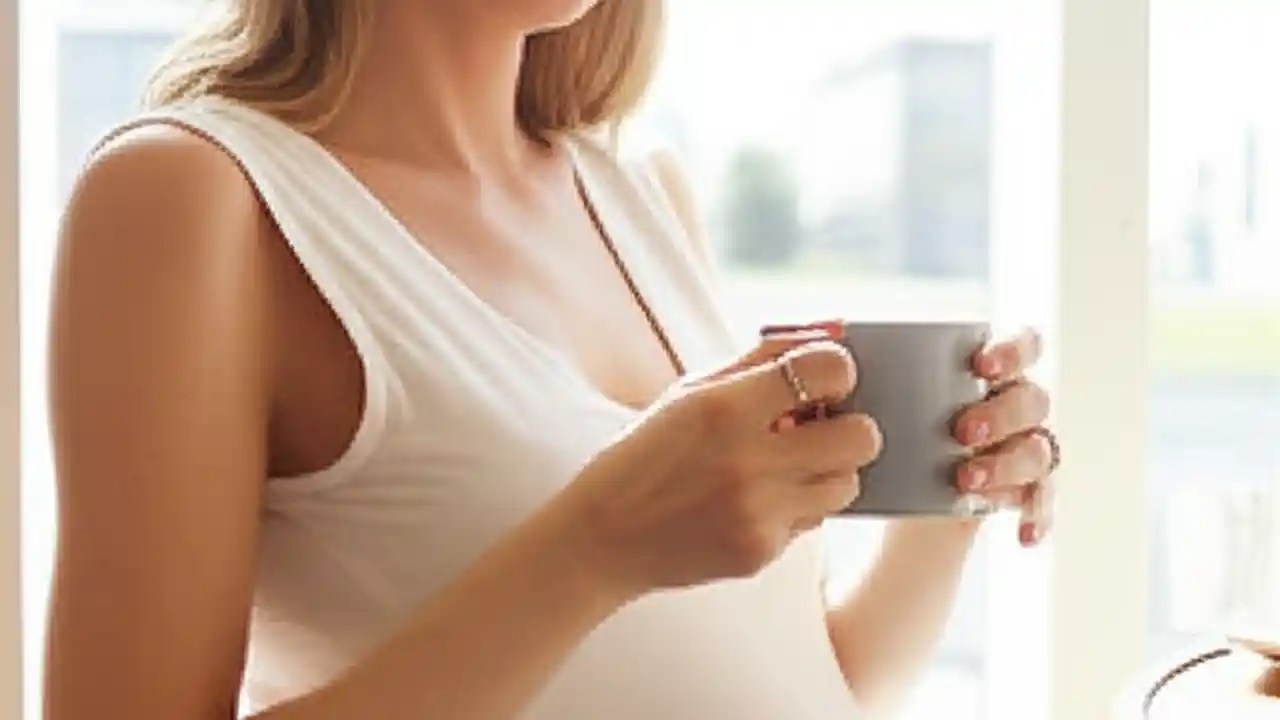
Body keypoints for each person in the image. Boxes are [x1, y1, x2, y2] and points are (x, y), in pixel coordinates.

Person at [44, 1, 1058, 718]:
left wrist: (953, 490)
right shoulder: (194, 196)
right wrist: (594, 547)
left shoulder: (641, 198)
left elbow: (812, 688)